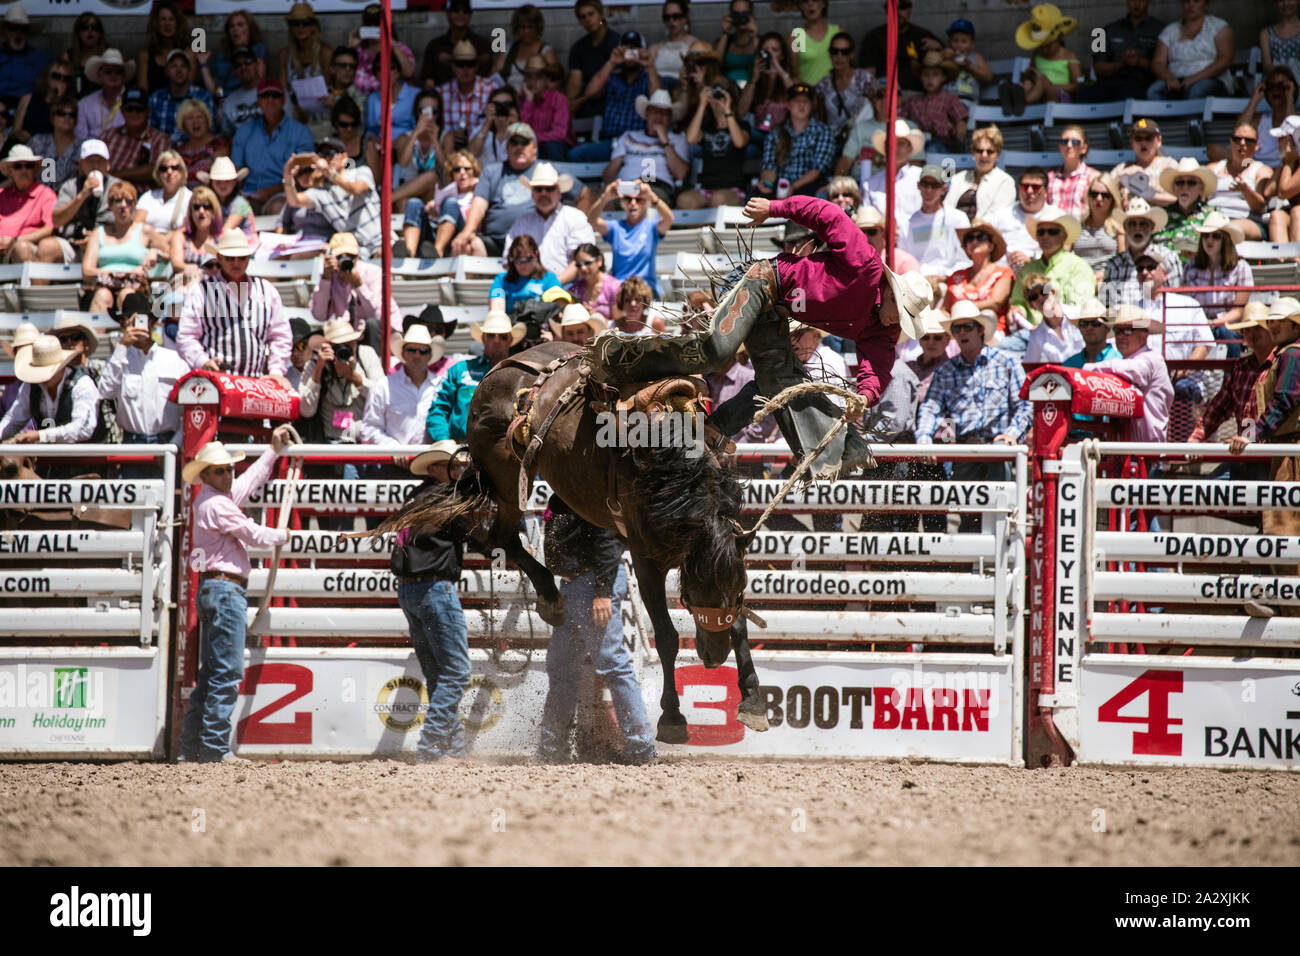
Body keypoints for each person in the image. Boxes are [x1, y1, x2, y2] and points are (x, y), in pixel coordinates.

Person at [586, 195, 930, 477]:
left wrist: (864, 399)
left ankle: (712, 430)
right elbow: (829, 214)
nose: (897, 322)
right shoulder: (864, 263)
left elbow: (877, 370)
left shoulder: (883, 329)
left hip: (778, 311)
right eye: (900, 312)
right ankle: (627, 353)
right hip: (764, 282)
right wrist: (774, 208)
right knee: (719, 351)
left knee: (777, 384)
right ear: (889, 292)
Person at [180, 426, 294, 763]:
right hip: (226, 590)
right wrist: (280, 535)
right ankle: (214, 748)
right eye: (221, 470)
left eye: (229, 468)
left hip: (215, 588)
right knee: (226, 670)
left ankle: (192, 747)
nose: (229, 474)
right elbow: (252, 533)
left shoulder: (214, 500)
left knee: (213, 671)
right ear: (206, 474)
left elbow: (250, 481)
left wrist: (272, 451)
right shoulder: (218, 505)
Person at [538, 491, 655, 765]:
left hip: (589, 583)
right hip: (575, 583)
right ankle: (553, 748)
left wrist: (602, 592)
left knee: (610, 664)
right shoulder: (568, 497)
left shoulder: (584, 495)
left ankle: (641, 748)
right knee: (565, 667)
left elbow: (608, 541)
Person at [391, 441, 481, 762]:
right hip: (434, 590)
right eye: (451, 466)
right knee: (456, 672)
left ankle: (452, 747)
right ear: (434, 469)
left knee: (439, 673)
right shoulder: (446, 498)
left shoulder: (413, 497)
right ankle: (430, 746)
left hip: (409, 591)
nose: (458, 471)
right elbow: (477, 533)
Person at [914, 304, 1029, 530]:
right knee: (966, 516)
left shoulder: (1006, 362)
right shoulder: (946, 371)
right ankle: (969, 564)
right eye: (957, 328)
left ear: (979, 330)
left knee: (1000, 514)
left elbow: (1024, 406)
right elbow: (930, 408)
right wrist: (924, 440)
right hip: (965, 451)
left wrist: (1011, 435)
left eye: (967, 327)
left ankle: (996, 563)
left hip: (998, 449)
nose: (962, 333)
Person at [450, 122, 588, 259]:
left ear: (535, 147)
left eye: (524, 142)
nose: (519, 147)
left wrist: (576, 225)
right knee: (466, 244)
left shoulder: (548, 171)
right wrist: (468, 231)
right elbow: (479, 205)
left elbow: (585, 194)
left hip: (537, 241)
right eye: (514, 143)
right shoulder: (492, 171)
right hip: (497, 241)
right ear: (507, 147)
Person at [177, 229, 291, 385]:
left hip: (255, 383)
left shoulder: (267, 291)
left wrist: (276, 371)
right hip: (214, 382)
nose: (236, 263)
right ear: (219, 258)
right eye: (230, 258)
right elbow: (186, 336)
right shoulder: (201, 291)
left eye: (242, 258)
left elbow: (280, 335)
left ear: (249, 258)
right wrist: (203, 361)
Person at [96, 291, 187, 448]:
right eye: (131, 320)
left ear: (151, 322)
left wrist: (175, 445)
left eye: (142, 319)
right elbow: (105, 392)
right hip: (132, 443)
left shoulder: (175, 360)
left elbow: (189, 409)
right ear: (122, 324)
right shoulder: (117, 360)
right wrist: (122, 346)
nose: (137, 325)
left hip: (169, 441)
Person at [1189, 302, 1273, 455]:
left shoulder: (1281, 364)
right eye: (1247, 330)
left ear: (1270, 331)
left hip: (1272, 455)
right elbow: (1218, 407)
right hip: (1245, 453)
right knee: (1212, 479)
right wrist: (1197, 438)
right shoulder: (1241, 369)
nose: (1251, 334)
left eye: (1257, 328)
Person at [428, 310, 523, 442]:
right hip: (459, 448)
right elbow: (438, 409)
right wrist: (444, 442)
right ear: (483, 338)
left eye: (503, 336)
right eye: (491, 335)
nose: (497, 341)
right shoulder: (459, 370)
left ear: (510, 340)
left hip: (504, 452)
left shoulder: (521, 374)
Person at [361, 322, 453, 454]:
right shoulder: (383, 386)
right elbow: (369, 428)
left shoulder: (441, 386)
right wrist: (394, 448)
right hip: (392, 464)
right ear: (403, 353)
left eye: (423, 351)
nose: (417, 355)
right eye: (411, 350)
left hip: (431, 464)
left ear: (430, 355)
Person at [1085, 304, 1173, 443]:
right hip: (1126, 449)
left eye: (1128, 331)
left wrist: (1087, 369)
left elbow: (1135, 371)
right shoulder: (1122, 364)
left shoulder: (1152, 359)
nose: (1120, 336)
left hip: (1147, 453)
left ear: (1144, 334)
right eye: (1118, 331)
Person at [569, 30, 660, 164]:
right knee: (575, 154)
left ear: (642, 51)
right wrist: (611, 62)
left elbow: (658, 100)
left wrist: (650, 66)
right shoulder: (612, 77)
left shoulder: (649, 78)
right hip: (611, 142)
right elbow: (590, 93)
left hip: (639, 144)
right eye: (626, 49)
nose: (630, 54)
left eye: (634, 49)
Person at [298, 315, 382, 456]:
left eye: (350, 344)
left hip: (366, 444)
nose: (346, 350)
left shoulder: (366, 355)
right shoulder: (315, 365)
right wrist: (318, 369)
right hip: (332, 445)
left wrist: (354, 377)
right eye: (339, 346)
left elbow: (382, 398)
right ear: (329, 347)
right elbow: (306, 410)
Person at [230, 79, 314, 215]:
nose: (270, 100)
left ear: (283, 99)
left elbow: (304, 175)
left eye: (275, 95)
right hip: (248, 194)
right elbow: (236, 171)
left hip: (283, 193)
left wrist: (272, 191)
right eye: (265, 96)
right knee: (233, 209)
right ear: (258, 100)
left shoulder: (300, 132)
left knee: (278, 207)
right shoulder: (244, 131)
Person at [1008, 210, 1095, 339]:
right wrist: (1017, 309)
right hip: (1030, 334)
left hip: (1068, 335)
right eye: (1041, 232)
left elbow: (1081, 308)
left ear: (1064, 237)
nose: (1045, 236)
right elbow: (1017, 302)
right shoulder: (1027, 269)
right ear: (1036, 237)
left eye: (1052, 232)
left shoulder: (1078, 266)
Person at [283, 144, 382, 257]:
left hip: (381, 242)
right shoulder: (321, 192)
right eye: (324, 156)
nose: (328, 159)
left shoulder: (361, 171)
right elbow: (294, 201)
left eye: (332, 154)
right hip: (353, 251)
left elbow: (356, 189)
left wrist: (328, 172)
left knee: (382, 253)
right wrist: (287, 174)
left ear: (345, 156)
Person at [0, 334, 99, 446]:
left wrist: (40, 435)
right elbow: (14, 419)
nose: (43, 378)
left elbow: (83, 428)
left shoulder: (82, 384)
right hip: (48, 460)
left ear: (62, 367)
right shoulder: (31, 386)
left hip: (85, 460)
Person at [505, 162, 595, 283]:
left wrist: (552, 286)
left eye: (549, 189)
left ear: (559, 192)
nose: (543, 193)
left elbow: (582, 261)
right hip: (527, 290)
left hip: (568, 289)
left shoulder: (575, 218)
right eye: (538, 189)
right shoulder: (521, 222)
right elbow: (508, 260)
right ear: (532, 193)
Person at [1184, 211, 1254, 356]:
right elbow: (1185, 305)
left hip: (1228, 325)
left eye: (1216, 236)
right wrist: (1204, 324)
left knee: (1225, 331)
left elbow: (1238, 311)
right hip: (1197, 324)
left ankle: (1232, 374)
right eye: (1205, 235)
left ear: (1226, 240)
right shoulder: (1190, 267)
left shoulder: (1241, 268)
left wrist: (1213, 323)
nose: (1209, 240)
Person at [589, 177, 672, 297]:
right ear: (623, 203)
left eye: (639, 200)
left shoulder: (651, 227)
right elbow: (591, 221)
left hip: (646, 289)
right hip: (620, 290)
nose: (633, 203)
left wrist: (651, 195)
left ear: (646, 203)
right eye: (628, 199)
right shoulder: (615, 227)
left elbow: (669, 219)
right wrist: (605, 197)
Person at [603, 89, 688, 206]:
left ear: (670, 118)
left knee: (642, 200)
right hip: (626, 187)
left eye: (663, 113)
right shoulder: (629, 136)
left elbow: (681, 174)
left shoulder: (677, 140)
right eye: (654, 112)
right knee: (602, 199)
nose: (658, 117)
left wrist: (665, 141)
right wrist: (618, 160)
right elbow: (607, 176)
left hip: (656, 188)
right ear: (646, 114)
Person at [678, 74, 748, 209]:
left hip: (733, 188)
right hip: (707, 187)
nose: (718, 100)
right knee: (684, 200)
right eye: (715, 96)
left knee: (718, 200)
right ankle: (699, 231)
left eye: (721, 95)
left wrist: (727, 110)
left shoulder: (742, 125)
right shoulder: (706, 127)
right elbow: (690, 138)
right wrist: (702, 104)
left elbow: (739, 142)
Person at [757, 82, 834, 199]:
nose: (801, 105)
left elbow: (818, 169)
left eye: (806, 101)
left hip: (809, 187)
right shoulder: (775, 134)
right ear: (788, 104)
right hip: (781, 187)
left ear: (811, 105)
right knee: (757, 195)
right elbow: (769, 167)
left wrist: (792, 187)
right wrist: (766, 184)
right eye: (797, 101)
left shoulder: (823, 131)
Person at [1101, 198, 1183, 308]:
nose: (1137, 228)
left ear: (1152, 227)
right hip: (1122, 323)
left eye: (1143, 224)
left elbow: (1176, 300)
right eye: (1132, 224)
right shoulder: (1114, 265)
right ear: (1125, 228)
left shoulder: (1168, 258)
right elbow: (1106, 306)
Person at [309, 231, 397, 333]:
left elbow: (376, 315)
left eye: (351, 256)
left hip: (382, 333)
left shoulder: (373, 272)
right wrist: (326, 279)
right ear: (331, 258)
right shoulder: (330, 276)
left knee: (371, 325)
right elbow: (319, 315)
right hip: (349, 335)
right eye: (340, 257)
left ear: (358, 256)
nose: (346, 260)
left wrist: (358, 284)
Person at [899, 164, 969, 289]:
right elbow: (904, 259)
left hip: (947, 283)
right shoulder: (907, 223)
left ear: (943, 189)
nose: (929, 190)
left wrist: (946, 277)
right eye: (925, 184)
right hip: (916, 283)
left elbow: (964, 259)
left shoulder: (958, 218)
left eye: (934, 185)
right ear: (918, 186)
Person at [1081, 0, 1165, 103]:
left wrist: (1139, 62)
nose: (1136, 4)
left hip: (1142, 83)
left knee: (1129, 95)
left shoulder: (1162, 30)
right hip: (1111, 81)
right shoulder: (1106, 30)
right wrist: (1120, 63)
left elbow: (1165, 68)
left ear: (1149, 1)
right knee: (1084, 94)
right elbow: (1097, 66)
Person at [1148, 0, 1233, 100]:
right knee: (1154, 91)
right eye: (1186, 1)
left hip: (1211, 79)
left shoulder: (1218, 27)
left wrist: (1194, 78)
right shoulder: (1170, 30)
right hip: (1177, 81)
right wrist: (1168, 77)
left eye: (1196, 1)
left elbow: (1226, 59)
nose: (1191, 5)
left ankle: (1192, 116)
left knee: (1196, 91)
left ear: (1206, 4)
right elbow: (1158, 62)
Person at [51, 139, 119, 264]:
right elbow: (56, 221)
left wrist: (98, 238)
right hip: (73, 245)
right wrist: (82, 195)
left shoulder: (118, 187)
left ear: (108, 165)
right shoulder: (70, 186)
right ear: (81, 164)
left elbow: (129, 224)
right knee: (47, 247)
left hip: (108, 244)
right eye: (89, 161)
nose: (95, 165)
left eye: (99, 161)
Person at [402, 149, 478, 259]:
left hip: (458, 238)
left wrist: (479, 186)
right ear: (451, 174)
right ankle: (409, 253)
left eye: (467, 169)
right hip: (434, 234)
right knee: (414, 203)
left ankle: (438, 252)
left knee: (451, 203)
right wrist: (433, 209)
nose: (462, 173)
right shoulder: (446, 194)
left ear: (474, 171)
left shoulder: (479, 195)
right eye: (457, 170)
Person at [989, 166, 1065, 274]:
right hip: (1003, 275)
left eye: (1035, 187)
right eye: (1025, 186)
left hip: (1043, 276)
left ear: (1046, 191)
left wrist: (1032, 262)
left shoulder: (1058, 217)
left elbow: (1062, 255)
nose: (1029, 191)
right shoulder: (1000, 216)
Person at [945, 220, 1014, 334]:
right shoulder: (956, 276)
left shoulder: (1003, 273)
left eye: (980, 237)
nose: (974, 241)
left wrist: (963, 309)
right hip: (958, 334)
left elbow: (996, 302)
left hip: (992, 333)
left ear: (991, 246)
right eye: (969, 239)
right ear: (966, 247)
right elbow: (945, 309)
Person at [1207, 123, 1273, 242]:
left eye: (1248, 140)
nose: (1242, 143)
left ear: (1257, 145)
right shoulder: (1213, 169)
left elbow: (1260, 207)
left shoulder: (1262, 171)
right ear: (1230, 142)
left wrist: (1245, 190)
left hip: (1248, 222)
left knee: (1228, 230)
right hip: (1212, 220)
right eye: (1237, 139)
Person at [859, 0, 941, 93]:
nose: (897, 12)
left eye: (902, 7)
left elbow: (949, 63)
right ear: (886, 10)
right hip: (886, 95)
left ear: (910, 9)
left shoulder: (922, 35)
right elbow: (868, 77)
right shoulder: (873, 38)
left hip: (918, 95)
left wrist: (940, 48)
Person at [0, 143, 59, 265]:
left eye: (28, 165)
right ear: (10, 171)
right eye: (18, 166)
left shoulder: (46, 194)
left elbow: (49, 228)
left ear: (35, 169)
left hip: (29, 248)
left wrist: (16, 240)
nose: (24, 170)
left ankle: (25, 285)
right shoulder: (1, 195)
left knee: (21, 248)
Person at [1012, 4, 1081, 108]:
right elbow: (1031, 75)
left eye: (1048, 45)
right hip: (1039, 95)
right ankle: (1014, 96)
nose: (1044, 50)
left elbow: (1076, 85)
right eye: (1041, 46)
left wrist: (1048, 85)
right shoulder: (1037, 54)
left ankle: (1022, 102)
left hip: (1060, 98)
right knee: (1028, 84)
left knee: (1042, 79)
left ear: (1059, 38)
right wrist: (1030, 76)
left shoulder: (1069, 56)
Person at [102, 88, 170, 191]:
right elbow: (93, 163)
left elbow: (156, 170)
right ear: (122, 111)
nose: (134, 113)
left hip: (142, 199)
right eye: (129, 109)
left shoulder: (160, 139)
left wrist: (113, 175)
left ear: (148, 111)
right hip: (107, 194)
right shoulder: (109, 135)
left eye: (139, 109)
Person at [943, 126, 1015, 222]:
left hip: (984, 233)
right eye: (979, 151)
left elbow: (997, 216)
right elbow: (947, 208)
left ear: (997, 154)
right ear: (973, 152)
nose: (984, 155)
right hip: (953, 230)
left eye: (989, 152)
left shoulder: (1005, 181)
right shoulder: (959, 178)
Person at [900, 52, 967, 152]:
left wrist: (960, 125)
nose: (930, 79)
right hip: (916, 141)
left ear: (943, 78)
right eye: (926, 75)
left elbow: (960, 118)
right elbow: (902, 120)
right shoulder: (913, 101)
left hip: (942, 142)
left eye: (935, 75)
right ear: (921, 78)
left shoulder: (949, 98)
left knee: (932, 148)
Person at [279, 3, 331, 131]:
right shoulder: (285, 55)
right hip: (295, 114)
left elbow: (330, 87)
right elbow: (282, 89)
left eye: (305, 23)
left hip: (321, 115)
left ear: (314, 26)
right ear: (290, 27)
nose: (301, 27)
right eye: (296, 23)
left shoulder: (325, 52)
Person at [738, 32, 795, 148]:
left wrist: (779, 69)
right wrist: (754, 80)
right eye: (766, 50)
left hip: (782, 137)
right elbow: (741, 112)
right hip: (758, 135)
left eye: (774, 50)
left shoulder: (789, 79)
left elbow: (796, 95)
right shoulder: (754, 81)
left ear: (782, 55)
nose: (770, 54)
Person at [566, 0, 621, 120]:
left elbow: (610, 81)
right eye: (583, 17)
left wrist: (580, 101)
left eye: (591, 14)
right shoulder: (578, 48)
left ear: (601, 14)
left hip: (611, 101)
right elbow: (575, 81)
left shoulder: (617, 42)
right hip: (585, 105)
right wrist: (571, 104)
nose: (588, 20)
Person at [814, 31, 872, 146]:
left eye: (844, 52)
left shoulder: (864, 78)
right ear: (830, 54)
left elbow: (875, 109)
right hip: (833, 143)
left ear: (851, 55)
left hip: (860, 141)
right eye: (834, 51)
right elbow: (822, 119)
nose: (839, 56)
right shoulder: (823, 84)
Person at [439, 39, 498, 148]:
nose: (465, 69)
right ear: (453, 66)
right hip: (451, 152)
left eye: (470, 64)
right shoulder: (441, 93)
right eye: (460, 64)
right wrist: (449, 136)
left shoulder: (491, 89)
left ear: (477, 66)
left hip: (484, 151)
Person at [421, 0, 492, 89]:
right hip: (443, 98)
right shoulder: (435, 46)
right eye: (456, 10)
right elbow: (428, 81)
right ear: (447, 14)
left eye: (465, 11)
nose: (460, 14)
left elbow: (490, 78)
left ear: (470, 15)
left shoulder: (483, 44)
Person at [148, 49, 215, 144]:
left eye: (183, 66)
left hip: (197, 152)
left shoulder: (203, 97)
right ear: (166, 71)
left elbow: (211, 131)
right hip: (163, 152)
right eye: (174, 66)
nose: (179, 70)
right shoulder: (155, 98)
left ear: (189, 71)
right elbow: (150, 133)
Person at [391, 89, 443, 210]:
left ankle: (384, 201)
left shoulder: (446, 137)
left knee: (431, 176)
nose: (428, 115)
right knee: (403, 202)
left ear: (438, 114)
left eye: (433, 111)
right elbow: (403, 163)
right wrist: (415, 134)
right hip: (409, 191)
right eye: (423, 111)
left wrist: (435, 140)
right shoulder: (405, 137)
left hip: (435, 192)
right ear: (416, 112)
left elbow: (447, 168)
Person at [350, 3, 416, 97]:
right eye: (369, 24)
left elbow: (409, 73)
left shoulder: (399, 48)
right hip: (360, 102)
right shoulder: (358, 49)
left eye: (377, 24)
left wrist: (393, 46)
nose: (373, 27)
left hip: (391, 103)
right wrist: (351, 48)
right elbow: (343, 77)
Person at [1111, 117, 1178, 209]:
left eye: (1148, 138)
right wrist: (1120, 178)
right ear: (1132, 143)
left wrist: (1145, 194)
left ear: (1159, 141)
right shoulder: (1122, 168)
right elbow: (1105, 190)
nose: (1143, 143)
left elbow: (1178, 198)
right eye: (1138, 139)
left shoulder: (1169, 165)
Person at [1154, 157, 1218, 253]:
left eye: (1191, 183)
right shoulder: (1161, 216)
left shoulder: (1213, 215)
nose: (1185, 187)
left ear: (1201, 188)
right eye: (1179, 182)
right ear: (1173, 188)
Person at [137, 2, 202, 97]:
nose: (167, 24)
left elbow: (189, 90)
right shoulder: (145, 54)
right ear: (156, 23)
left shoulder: (189, 54)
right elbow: (142, 92)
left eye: (171, 19)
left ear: (178, 23)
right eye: (163, 19)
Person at [1240, 66, 1297, 168]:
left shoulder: (1297, 119)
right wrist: (1255, 99)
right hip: (1257, 167)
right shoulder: (1260, 119)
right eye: (1271, 86)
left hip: (1284, 167)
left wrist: (1290, 97)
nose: (1275, 90)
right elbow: (1238, 132)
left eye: (1281, 86)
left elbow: (1292, 136)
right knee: (1215, 150)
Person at [520, 55, 573, 162]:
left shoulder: (558, 99)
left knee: (551, 146)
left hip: (556, 149)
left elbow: (559, 134)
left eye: (538, 77)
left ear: (547, 79)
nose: (533, 81)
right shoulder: (522, 99)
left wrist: (532, 137)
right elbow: (519, 129)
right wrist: (529, 101)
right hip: (531, 148)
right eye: (529, 77)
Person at [1023, 283, 1093, 364]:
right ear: (1032, 305)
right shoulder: (1036, 335)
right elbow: (1029, 367)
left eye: (1043, 292)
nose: (1040, 298)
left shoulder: (1079, 314)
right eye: (1034, 297)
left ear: (1053, 292)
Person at [490, 234, 561, 312]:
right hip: (510, 322)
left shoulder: (549, 279)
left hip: (539, 322)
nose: (522, 264)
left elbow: (557, 305)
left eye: (527, 259)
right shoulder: (501, 280)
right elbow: (496, 307)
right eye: (517, 259)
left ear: (536, 255)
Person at [75, 48, 131, 142]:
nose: (113, 75)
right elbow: (80, 140)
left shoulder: (133, 103)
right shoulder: (84, 105)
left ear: (124, 75)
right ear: (99, 75)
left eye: (118, 72)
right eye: (108, 72)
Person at [170, 187, 223, 285]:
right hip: (184, 285)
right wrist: (192, 269)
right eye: (196, 207)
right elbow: (176, 263)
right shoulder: (180, 236)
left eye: (207, 206)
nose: (201, 211)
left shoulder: (222, 239)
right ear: (191, 212)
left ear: (214, 211)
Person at [1075, 172, 1125, 275]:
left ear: (1112, 199)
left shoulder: (1119, 227)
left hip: (1109, 280)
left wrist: (1104, 275)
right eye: (1094, 194)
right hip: (1079, 280)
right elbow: (1064, 259)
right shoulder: (1077, 226)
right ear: (1088, 196)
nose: (1099, 199)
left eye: (1105, 195)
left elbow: (1123, 263)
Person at [0, 6, 51, 107]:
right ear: (5, 31)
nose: (18, 33)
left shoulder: (42, 58)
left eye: (23, 29)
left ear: (28, 33)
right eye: (13, 28)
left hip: (29, 109)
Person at [135, 150, 192, 239]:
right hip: (147, 243)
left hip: (174, 244)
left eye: (174, 167)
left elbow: (187, 229)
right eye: (164, 169)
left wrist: (163, 240)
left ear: (182, 171)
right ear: (158, 174)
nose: (169, 172)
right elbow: (137, 224)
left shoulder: (189, 198)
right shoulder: (148, 197)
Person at [26, 94, 78, 191]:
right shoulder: (38, 142)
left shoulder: (82, 147)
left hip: (68, 201)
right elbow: (22, 171)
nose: (67, 118)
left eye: (72, 115)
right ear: (52, 117)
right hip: (38, 198)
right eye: (61, 113)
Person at [13, 60, 73, 143]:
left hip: (49, 147)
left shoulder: (67, 106)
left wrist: (60, 98)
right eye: (56, 76)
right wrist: (21, 135)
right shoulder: (28, 98)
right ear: (47, 76)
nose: (61, 81)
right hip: (24, 144)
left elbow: (62, 130)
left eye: (65, 79)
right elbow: (15, 130)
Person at [199, 156, 256, 242]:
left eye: (227, 181)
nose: (222, 185)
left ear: (234, 182)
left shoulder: (240, 204)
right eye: (218, 181)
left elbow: (225, 233)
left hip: (245, 249)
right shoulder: (213, 203)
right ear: (212, 183)